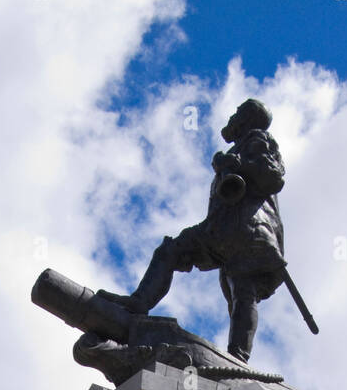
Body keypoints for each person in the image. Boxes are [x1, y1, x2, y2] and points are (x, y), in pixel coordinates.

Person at [101, 99, 287, 362]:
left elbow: (273, 177)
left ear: (245, 120)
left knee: (235, 285)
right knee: (237, 287)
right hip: (226, 229)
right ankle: (237, 357)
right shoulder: (242, 147)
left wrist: (236, 164)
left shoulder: (258, 140)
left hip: (247, 230)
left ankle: (236, 357)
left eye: (237, 114)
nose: (232, 118)